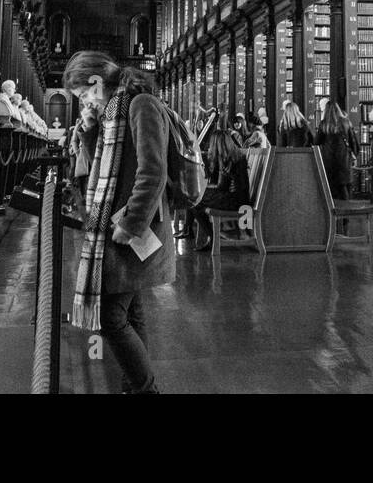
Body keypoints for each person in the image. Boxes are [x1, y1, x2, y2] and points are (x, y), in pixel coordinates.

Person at [64, 51, 175, 395]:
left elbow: (152, 171)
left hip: (133, 228)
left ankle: (145, 389)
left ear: (96, 81)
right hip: (115, 226)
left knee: (111, 317)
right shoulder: (113, 113)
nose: (83, 100)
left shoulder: (141, 105)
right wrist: (90, 129)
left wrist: (132, 222)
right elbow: (106, 166)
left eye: (83, 94)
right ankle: (134, 385)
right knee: (132, 311)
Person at [188, 128, 251, 251]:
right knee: (196, 198)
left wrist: (206, 188)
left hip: (236, 202)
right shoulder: (235, 156)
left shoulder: (228, 159)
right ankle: (210, 237)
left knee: (195, 201)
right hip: (238, 198)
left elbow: (222, 187)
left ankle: (213, 238)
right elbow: (223, 186)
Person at [316, 100, 358, 201]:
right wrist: (354, 154)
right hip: (344, 159)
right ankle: (346, 213)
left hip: (328, 160)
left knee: (330, 189)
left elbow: (316, 141)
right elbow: (353, 141)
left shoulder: (324, 124)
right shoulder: (346, 122)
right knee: (344, 188)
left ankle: (332, 213)